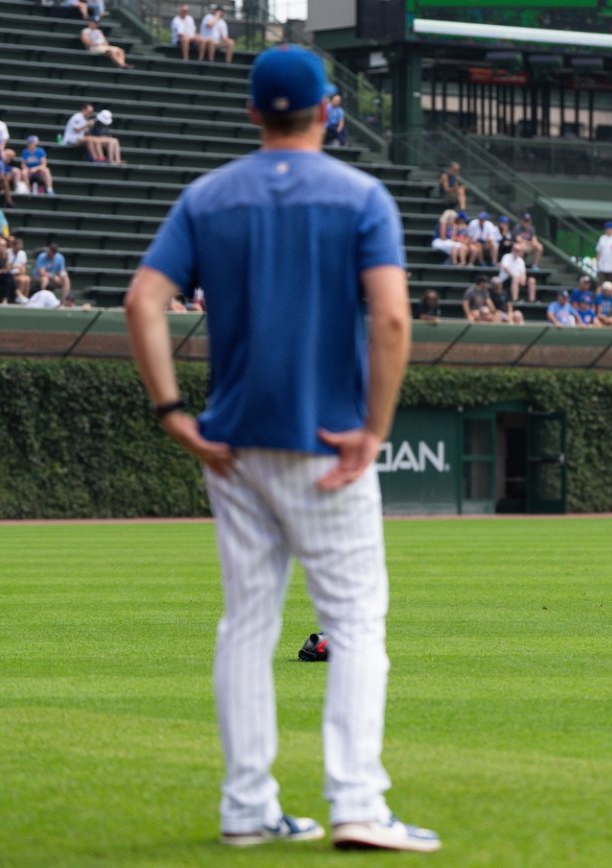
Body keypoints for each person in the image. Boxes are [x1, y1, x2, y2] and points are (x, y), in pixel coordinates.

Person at [124, 44, 440, 854]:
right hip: (326, 443)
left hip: (232, 444)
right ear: (328, 110)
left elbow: (143, 301)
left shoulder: (207, 196)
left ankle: (247, 806)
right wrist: (374, 429)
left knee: (247, 624)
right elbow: (394, 320)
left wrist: (170, 410)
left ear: (253, 113)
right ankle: (358, 805)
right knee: (356, 624)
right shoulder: (362, 195)